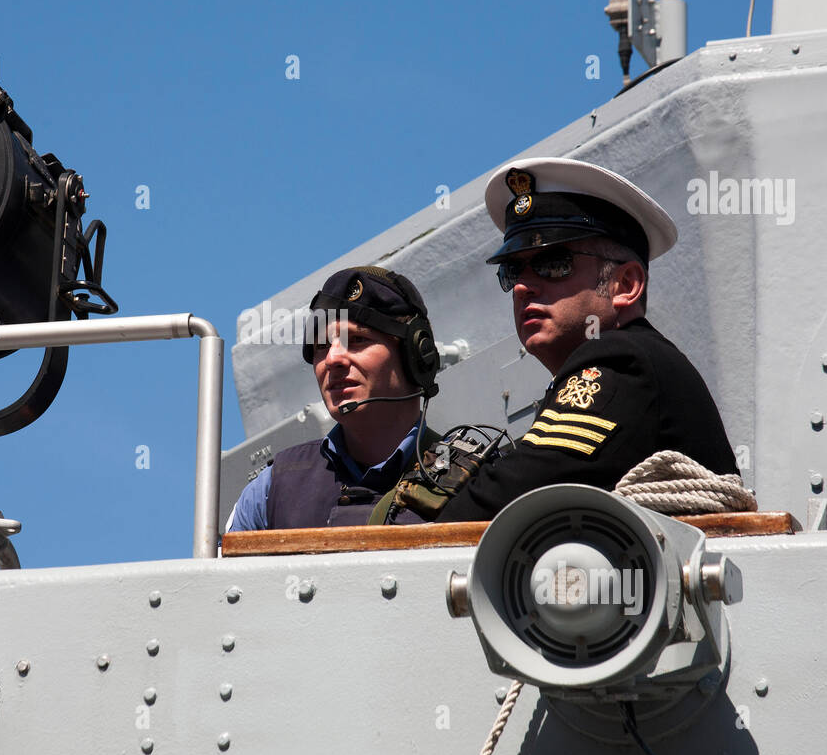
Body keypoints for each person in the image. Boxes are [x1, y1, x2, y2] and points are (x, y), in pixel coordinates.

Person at [436, 157, 738, 522]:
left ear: (625, 285)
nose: (521, 286)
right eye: (513, 270)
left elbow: (505, 499)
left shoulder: (622, 360)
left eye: (553, 263)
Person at [227, 266, 441, 531]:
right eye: (321, 346)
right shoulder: (269, 491)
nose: (332, 359)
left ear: (416, 355)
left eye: (357, 339)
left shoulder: (475, 483)